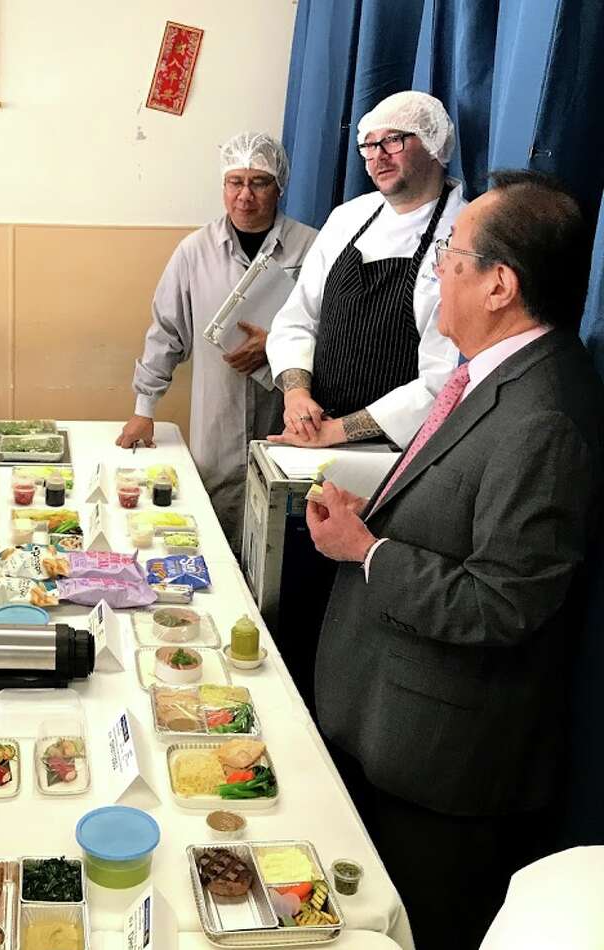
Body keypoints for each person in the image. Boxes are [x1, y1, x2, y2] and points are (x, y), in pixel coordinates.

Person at [305, 171, 604, 950]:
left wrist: (367, 552)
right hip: (388, 726)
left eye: (451, 254)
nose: (435, 269)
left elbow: (502, 603)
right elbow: (455, 514)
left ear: (500, 283)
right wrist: (370, 515)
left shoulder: (546, 414)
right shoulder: (486, 376)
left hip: (444, 766)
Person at [117, 132, 318, 547]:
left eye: (259, 183)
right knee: (215, 533)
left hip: (290, 422)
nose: (245, 196)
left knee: (282, 537)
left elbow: (336, 326)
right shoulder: (195, 251)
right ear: (223, 186)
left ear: (279, 185)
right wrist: (144, 408)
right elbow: (166, 333)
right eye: (235, 182)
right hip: (216, 426)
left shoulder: (312, 248)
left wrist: (276, 343)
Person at [267, 90, 463, 450]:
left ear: (435, 144)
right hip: (315, 432)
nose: (378, 157)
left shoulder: (462, 233)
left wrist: (339, 431)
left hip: (400, 451)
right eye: (369, 145)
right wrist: (296, 396)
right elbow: (296, 319)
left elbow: (443, 379)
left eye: (393, 140)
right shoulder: (348, 218)